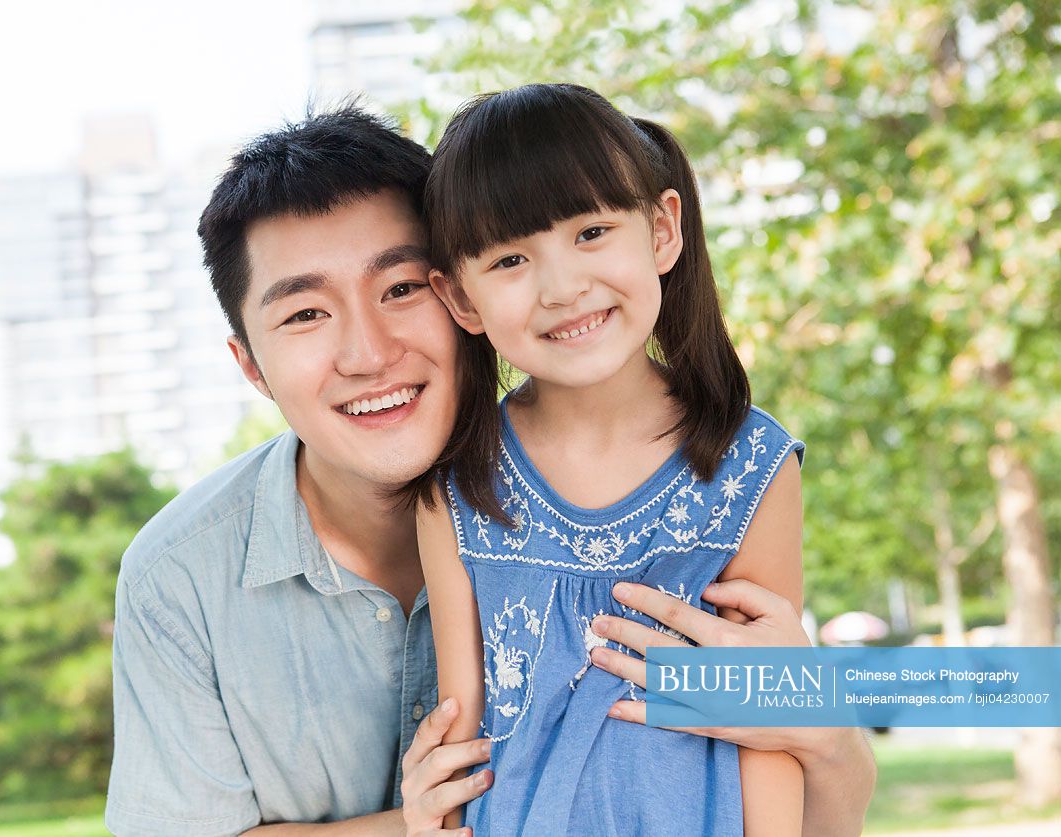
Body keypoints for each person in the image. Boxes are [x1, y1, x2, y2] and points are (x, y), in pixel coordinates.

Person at [104, 104, 876, 837]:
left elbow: (774, 737)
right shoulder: (181, 578)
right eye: (305, 313)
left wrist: (826, 734)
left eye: (399, 287)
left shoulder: (743, 468)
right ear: (250, 365)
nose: (368, 353)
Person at [411, 83, 803, 836]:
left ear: (661, 231)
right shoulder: (457, 488)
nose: (563, 287)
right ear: (460, 299)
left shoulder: (749, 465)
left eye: (591, 232)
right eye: (510, 259)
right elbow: (460, 733)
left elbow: (772, 723)